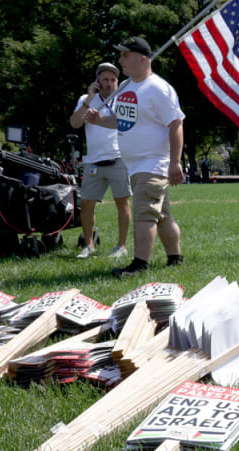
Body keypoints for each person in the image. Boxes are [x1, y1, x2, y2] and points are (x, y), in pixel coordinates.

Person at [86, 36, 184, 277]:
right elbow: (121, 122)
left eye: (125, 56)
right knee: (162, 216)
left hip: (153, 164)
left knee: (144, 214)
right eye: (120, 56)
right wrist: (99, 120)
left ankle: (139, 265)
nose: (120, 61)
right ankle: (175, 258)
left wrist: (175, 162)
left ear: (142, 59)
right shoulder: (126, 87)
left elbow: (176, 124)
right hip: (134, 165)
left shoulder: (158, 88)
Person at [69, 62, 132, 259]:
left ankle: (121, 246)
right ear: (97, 81)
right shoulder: (86, 99)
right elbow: (75, 123)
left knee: (122, 202)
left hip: (118, 158)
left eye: (113, 80)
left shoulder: (123, 99)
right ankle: (88, 245)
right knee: (87, 203)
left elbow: (128, 125)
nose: (109, 83)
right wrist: (89, 98)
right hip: (94, 161)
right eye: (105, 79)